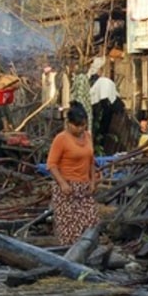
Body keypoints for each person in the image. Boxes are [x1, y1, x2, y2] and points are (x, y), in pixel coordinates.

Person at [47, 102, 98, 244]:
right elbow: (51, 165)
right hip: (67, 189)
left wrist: (93, 181)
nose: (81, 129)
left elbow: (91, 161)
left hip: (84, 187)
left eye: (83, 125)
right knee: (70, 229)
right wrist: (62, 183)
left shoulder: (87, 136)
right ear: (69, 123)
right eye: (77, 126)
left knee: (90, 223)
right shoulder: (61, 139)